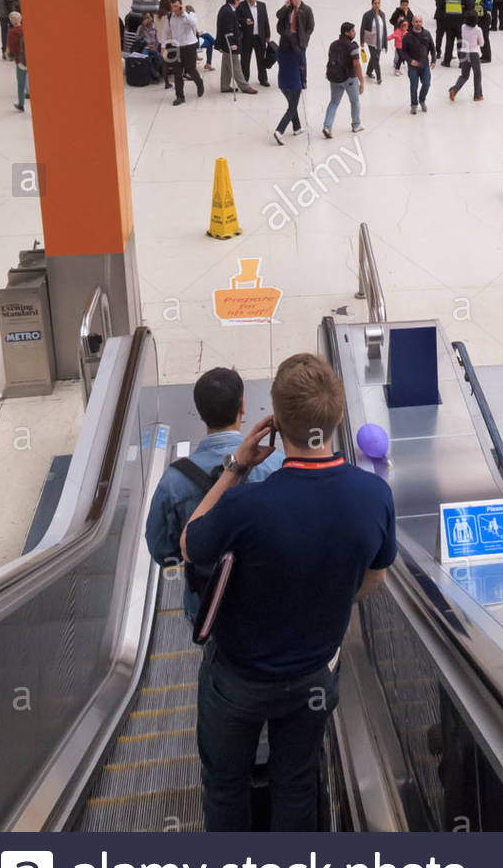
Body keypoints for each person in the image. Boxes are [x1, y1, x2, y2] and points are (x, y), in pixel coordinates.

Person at [181, 352, 396, 832]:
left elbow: (191, 545)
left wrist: (236, 467)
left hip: (237, 680)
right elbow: (376, 579)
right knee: (296, 781)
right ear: (338, 418)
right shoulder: (373, 496)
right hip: (313, 677)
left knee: (226, 783)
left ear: (275, 423)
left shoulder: (246, 504)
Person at [145, 367, 282, 622]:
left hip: (209, 607)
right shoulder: (277, 465)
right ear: (242, 405)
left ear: (199, 413)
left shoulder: (173, 483)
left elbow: (162, 552)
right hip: (269, 599)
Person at [322, 21, 364, 138]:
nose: (354, 33)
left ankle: (327, 126)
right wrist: (362, 82)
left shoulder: (333, 44)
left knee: (334, 102)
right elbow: (356, 65)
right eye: (352, 31)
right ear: (346, 33)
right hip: (349, 79)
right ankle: (356, 125)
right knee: (354, 101)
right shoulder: (352, 46)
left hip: (334, 78)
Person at [165, 0, 205, 105]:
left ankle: (199, 82)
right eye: (173, 7)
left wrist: (184, 13)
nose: (175, 9)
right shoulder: (170, 17)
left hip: (190, 46)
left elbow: (194, 24)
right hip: (176, 47)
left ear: (181, 5)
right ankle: (179, 96)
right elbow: (165, 31)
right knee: (177, 73)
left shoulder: (190, 15)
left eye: (177, 6)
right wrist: (163, 46)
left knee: (191, 69)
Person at [216, 0, 256, 95]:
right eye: (239, 1)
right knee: (236, 66)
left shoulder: (226, 9)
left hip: (225, 44)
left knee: (226, 65)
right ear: (235, 1)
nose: (239, 3)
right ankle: (245, 86)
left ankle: (224, 86)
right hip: (229, 44)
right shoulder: (229, 12)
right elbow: (228, 30)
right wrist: (232, 44)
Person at [274, 34, 307, 144]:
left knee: (292, 105)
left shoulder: (279, 52)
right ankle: (279, 130)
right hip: (294, 83)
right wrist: (303, 82)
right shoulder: (298, 52)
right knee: (292, 108)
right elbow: (302, 67)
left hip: (282, 82)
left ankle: (297, 128)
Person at [402, 12, 435, 114]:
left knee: (427, 83)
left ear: (422, 22)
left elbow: (432, 48)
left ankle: (422, 99)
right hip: (413, 66)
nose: (418, 23)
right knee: (414, 86)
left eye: (420, 21)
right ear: (412, 23)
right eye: (416, 21)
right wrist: (410, 61)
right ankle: (414, 104)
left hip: (424, 65)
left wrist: (433, 60)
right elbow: (403, 52)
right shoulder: (407, 36)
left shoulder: (427, 34)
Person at [237, 0, 270, 87]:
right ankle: (245, 80)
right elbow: (236, 19)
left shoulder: (262, 6)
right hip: (247, 37)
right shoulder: (241, 6)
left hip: (259, 37)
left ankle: (263, 79)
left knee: (261, 59)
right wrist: (244, 21)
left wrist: (267, 35)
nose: (252, 0)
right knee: (245, 60)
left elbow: (265, 21)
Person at [448, 12, 483, 103]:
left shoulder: (463, 27)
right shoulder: (478, 29)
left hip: (464, 53)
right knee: (477, 75)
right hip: (474, 53)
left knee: (464, 75)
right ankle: (477, 95)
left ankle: (455, 90)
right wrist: (477, 42)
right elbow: (482, 43)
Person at [359, 0, 388, 85]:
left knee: (374, 57)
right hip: (371, 40)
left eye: (378, 3)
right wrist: (362, 41)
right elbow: (362, 27)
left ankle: (368, 71)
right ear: (372, 4)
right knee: (376, 58)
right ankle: (379, 77)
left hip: (380, 40)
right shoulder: (367, 15)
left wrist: (385, 41)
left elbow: (384, 28)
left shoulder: (382, 14)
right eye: (375, 3)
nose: (377, 5)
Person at [439, 0, 463, 66]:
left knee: (449, 42)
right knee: (461, 42)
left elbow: (439, 6)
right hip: (460, 22)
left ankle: (447, 61)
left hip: (448, 21)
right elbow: (470, 7)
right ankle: (462, 62)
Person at [6, 10, 28, 112]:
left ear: (11, 21)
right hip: (30, 59)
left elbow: (10, 48)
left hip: (20, 61)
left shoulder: (11, 33)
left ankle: (21, 104)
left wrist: (8, 55)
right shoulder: (26, 29)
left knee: (20, 83)